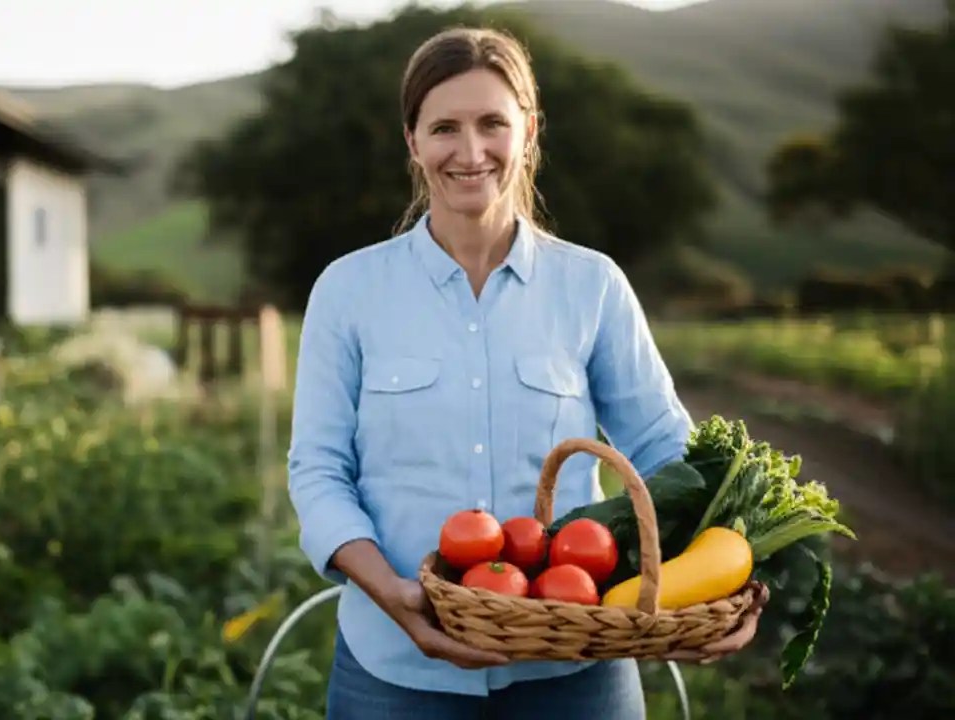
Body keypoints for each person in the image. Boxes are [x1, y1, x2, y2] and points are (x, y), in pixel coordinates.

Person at [285, 25, 766, 719]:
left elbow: (668, 451)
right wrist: (390, 591)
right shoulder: (348, 291)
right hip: (392, 669)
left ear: (530, 131)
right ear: (412, 142)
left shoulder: (591, 285)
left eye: (493, 124)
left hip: (574, 673)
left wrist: (723, 583)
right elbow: (318, 470)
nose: (470, 151)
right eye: (444, 127)